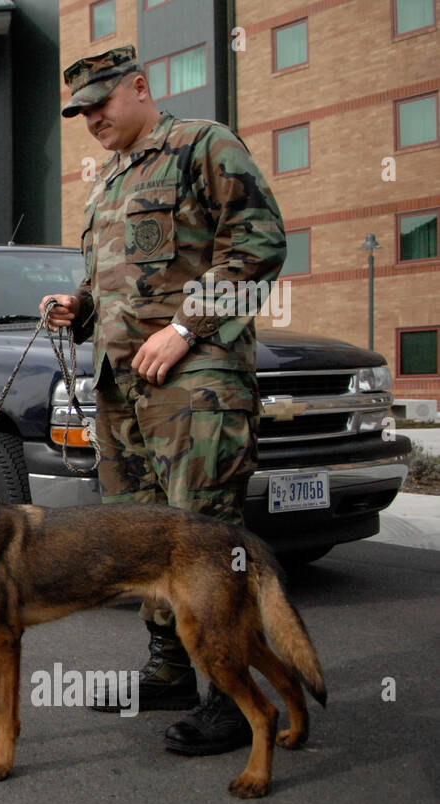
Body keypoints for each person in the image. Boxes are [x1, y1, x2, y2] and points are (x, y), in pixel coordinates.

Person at [40, 46, 286, 755]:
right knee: (140, 541)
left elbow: (260, 247)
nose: (91, 119)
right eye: (81, 110)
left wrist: (184, 329)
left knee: (203, 538)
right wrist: (78, 306)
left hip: (195, 389)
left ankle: (231, 699)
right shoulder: (108, 184)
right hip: (123, 395)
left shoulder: (202, 146)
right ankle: (171, 670)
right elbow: (122, 287)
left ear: (140, 88)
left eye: (100, 104)